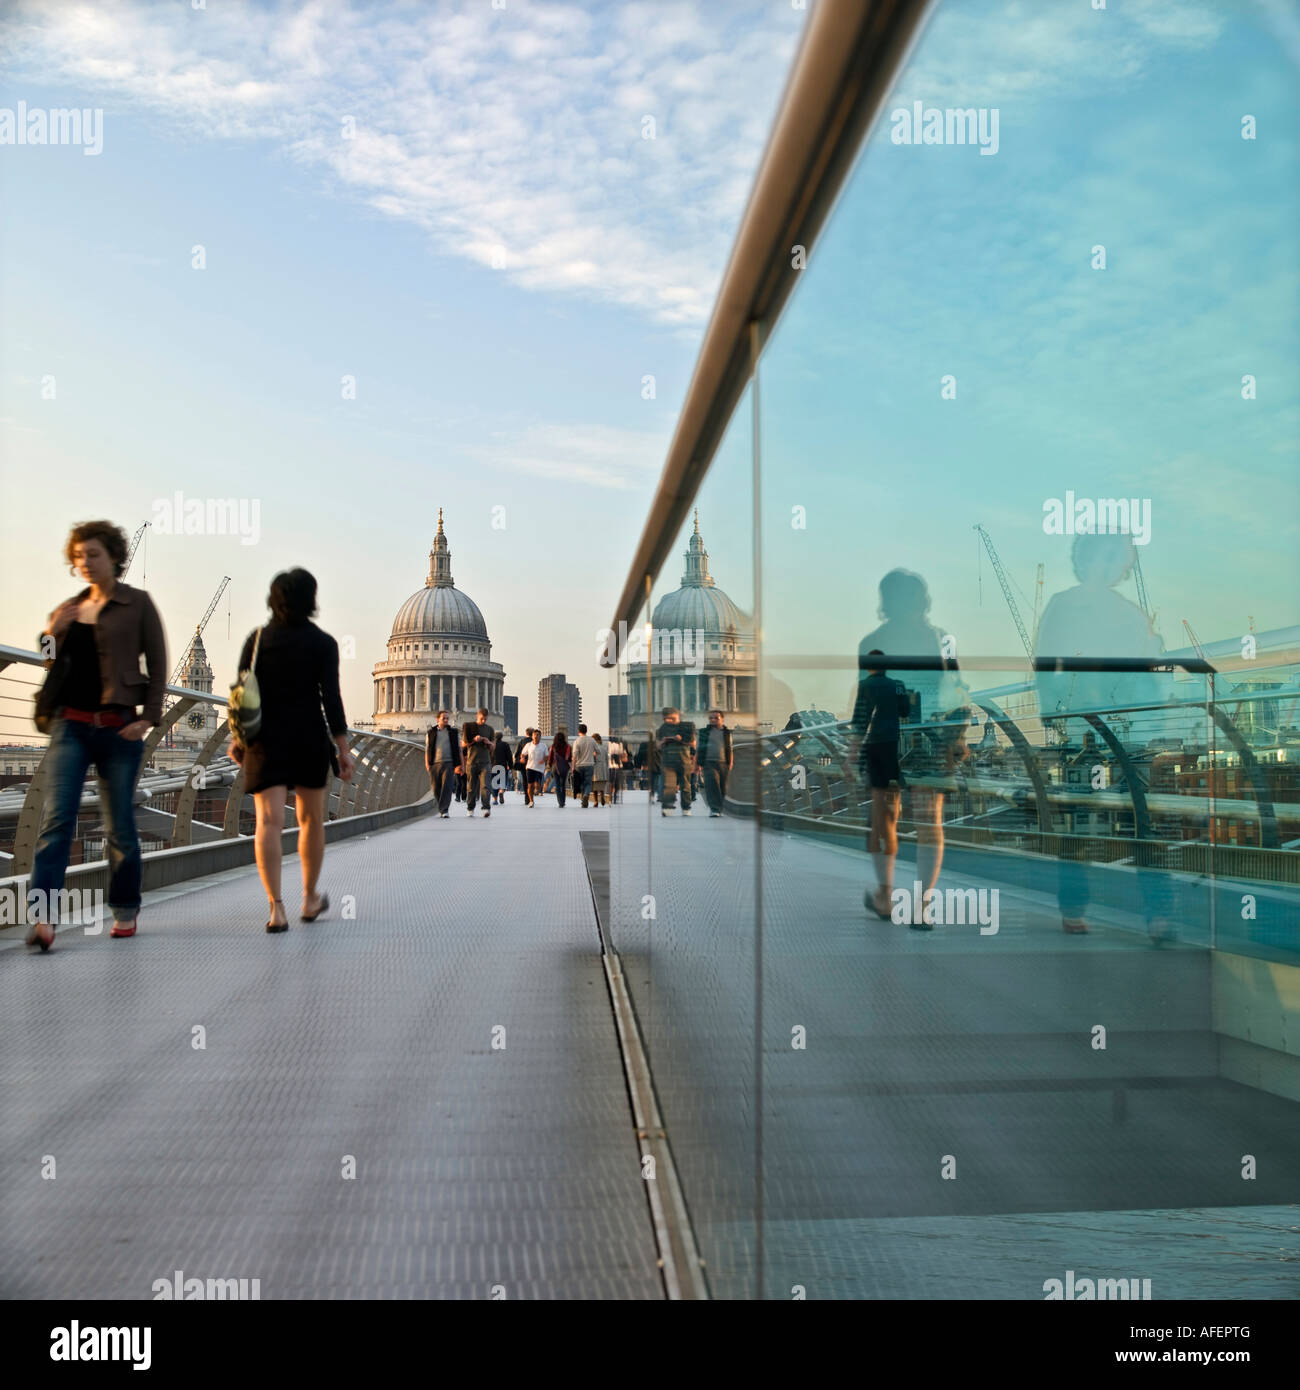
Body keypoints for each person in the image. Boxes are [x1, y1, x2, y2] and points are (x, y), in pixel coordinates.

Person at [26, 520, 167, 949]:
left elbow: (158, 663)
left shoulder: (138, 604)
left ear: (113, 557)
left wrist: (150, 717)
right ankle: (41, 919)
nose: (85, 563)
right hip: (70, 724)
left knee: (119, 825)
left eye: (93, 554)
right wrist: (52, 630)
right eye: (79, 556)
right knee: (57, 821)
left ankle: (125, 910)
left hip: (118, 728)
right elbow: (50, 664)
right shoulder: (70, 607)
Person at [230, 568, 354, 933]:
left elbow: (242, 695)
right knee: (311, 821)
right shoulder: (324, 644)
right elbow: (331, 699)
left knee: (268, 823)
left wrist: (238, 739)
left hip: (264, 740)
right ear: (312, 601)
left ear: (273, 599)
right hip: (308, 738)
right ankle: (309, 897)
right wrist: (343, 749)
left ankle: (275, 909)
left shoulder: (255, 641)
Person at [858, 569, 968, 930]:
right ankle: (921, 906)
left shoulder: (872, 641)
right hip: (933, 735)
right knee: (929, 823)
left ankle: (886, 896)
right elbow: (957, 689)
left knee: (884, 820)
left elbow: (865, 703)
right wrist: (959, 738)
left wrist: (851, 747)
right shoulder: (943, 639)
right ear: (925, 600)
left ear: (884, 601)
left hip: (887, 736)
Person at [850, 651, 907, 920]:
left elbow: (861, 723)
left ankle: (884, 896)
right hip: (896, 751)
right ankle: (885, 894)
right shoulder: (897, 685)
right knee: (890, 819)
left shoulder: (866, 686)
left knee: (877, 822)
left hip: (874, 751)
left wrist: (852, 755)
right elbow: (906, 711)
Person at [656, 707, 694, 816]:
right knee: (668, 786)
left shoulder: (686, 727)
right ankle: (668, 807)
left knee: (686, 786)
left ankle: (686, 808)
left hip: (684, 760)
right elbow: (657, 746)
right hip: (668, 761)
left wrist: (680, 739)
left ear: (677, 716)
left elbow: (693, 743)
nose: (668, 721)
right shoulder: (662, 729)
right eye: (666, 719)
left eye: (671, 718)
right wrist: (663, 741)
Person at [697, 709, 733, 817]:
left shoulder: (727, 733)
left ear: (722, 719)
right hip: (708, 762)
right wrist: (697, 764)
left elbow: (730, 748)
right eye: (711, 718)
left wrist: (731, 762)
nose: (713, 720)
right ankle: (714, 809)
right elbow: (699, 748)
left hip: (723, 763)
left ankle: (720, 808)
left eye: (716, 718)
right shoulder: (704, 732)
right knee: (712, 784)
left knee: (723, 787)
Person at [424, 709, 460, 818]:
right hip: (434, 763)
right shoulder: (431, 733)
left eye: (447, 718)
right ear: (437, 719)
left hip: (449, 763)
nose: (446, 720)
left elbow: (458, 749)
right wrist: (427, 763)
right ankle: (441, 806)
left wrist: (460, 765)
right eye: (443, 718)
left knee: (447, 787)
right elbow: (427, 749)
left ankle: (444, 810)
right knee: (435, 788)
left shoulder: (453, 732)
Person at [462, 706, 494, 817]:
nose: (483, 721)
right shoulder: (469, 727)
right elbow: (463, 744)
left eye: (485, 719)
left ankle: (486, 808)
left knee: (486, 786)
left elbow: (492, 747)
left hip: (485, 761)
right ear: (477, 716)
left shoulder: (489, 729)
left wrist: (488, 742)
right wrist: (473, 740)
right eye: (481, 719)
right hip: (472, 761)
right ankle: (470, 808)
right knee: (471, 788)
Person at [571, 723, 597, 808]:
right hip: (589, 764)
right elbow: (598, 751)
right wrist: (592, 753)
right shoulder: (592, 740)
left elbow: (574, 755)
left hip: (579, 765)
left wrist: (572, 767)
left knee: (581, 783)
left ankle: (583, 800)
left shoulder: (576, 741)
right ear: (586, 731)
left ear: (578, 731)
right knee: (588, 783)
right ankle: (586, 795)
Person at [548, 729, 572, 808]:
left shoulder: (553, 747)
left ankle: (560, 802)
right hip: (564, 767)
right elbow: (569, 758)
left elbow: (550, 758)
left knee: (557, 785)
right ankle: (563, 800)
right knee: (563, 785)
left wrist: (550, 765)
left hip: (555, 767)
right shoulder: (567, 746)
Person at [524, 728, 547, 807]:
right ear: (532, 736)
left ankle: (537, 789)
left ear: (540, 737)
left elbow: (547, 756)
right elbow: (523, 753)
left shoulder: (543, 746)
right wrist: (522, 758)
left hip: (539, 768)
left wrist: (543, 760)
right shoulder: (528, 745)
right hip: (530, 767)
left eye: (538, 735)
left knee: (537, 785)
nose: (536, 736)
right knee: (530, 785)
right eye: (534, 735)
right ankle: (531, 801)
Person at [492, 729, 514, 806]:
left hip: (493, 766)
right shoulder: (505, 744)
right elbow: (509, 756)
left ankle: (495, 800)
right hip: (503, 766)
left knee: (494, 783)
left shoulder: (492, 745)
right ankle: (501, 792)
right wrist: (511, 766)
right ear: (501, 737)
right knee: (503, 782)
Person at [515, 727, 534, 801]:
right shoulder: (534, 741)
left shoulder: (521, 741)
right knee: (532, 780)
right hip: (533, 764)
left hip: (523, 764)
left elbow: (517, 753)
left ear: (526, 733)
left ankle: (527, 797)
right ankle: (531, 797)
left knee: (525, 780)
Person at [592, 732, 609, 807]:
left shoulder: (594, 748)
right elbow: (607, 760)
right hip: (603, 767)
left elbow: (593, 759)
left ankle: (596, 801)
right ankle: (602, 796)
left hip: (596, 767)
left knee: (595, 786)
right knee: (602, 785)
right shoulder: (604, 748)